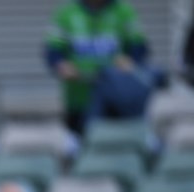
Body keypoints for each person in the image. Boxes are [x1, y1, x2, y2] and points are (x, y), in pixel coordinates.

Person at [45, 0, 152, 135]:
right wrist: (61, 65)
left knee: (115, 142)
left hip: (117, 97)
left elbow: (139, 47)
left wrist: (131, 61)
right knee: (77, 143)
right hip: (78, 97)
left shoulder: (124, 11)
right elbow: (53, 50)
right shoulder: (66, 12)